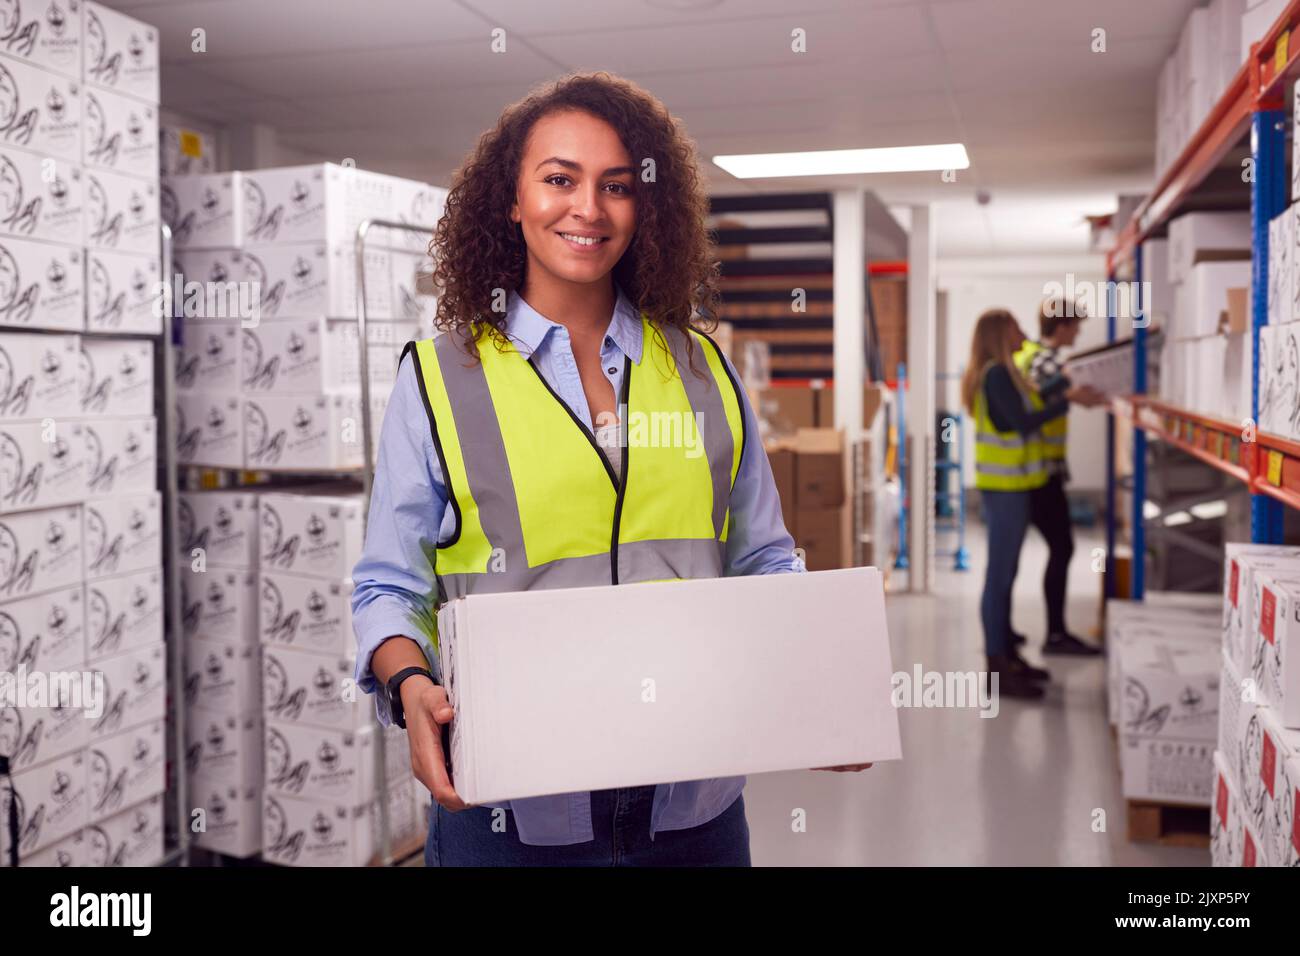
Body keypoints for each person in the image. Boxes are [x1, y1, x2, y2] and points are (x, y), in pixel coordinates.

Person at [350, 72, 869, 868]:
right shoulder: (437, 378)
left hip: (693, 808)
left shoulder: (703, 371)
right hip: (514, 815)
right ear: (513, 201)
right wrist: (409, 686)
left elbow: (762, 557)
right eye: (559, 179)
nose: (588, 208)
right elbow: (389, 585)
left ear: (644, 207)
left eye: (616, 186)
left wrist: (816, 689)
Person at [961, 310, 1099, 701]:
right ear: (1001, 334)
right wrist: (1067, 399)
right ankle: (997, 667)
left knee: (1006, 574)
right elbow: (1021, 422)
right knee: (1000, 578)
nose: (1024, 333)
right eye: (1016, 328)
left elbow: (1032, 400)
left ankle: (1007, 656)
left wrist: (1063, 383)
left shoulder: (1004, 373)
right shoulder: (996, 374)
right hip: (1005, 489)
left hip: (1014, 487)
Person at [1013, 299, 1103, 656]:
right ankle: (1055, 634)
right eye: (1075, 326)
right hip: (1040, 471)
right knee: (1062, 547)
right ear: (1061, 326)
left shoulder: (1035, 356)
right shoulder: (1045, 359)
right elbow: (1042, 397)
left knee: (1058, 548)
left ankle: (1054, 631)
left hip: (1043, 469)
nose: (1078, 333)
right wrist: (1069, 395)